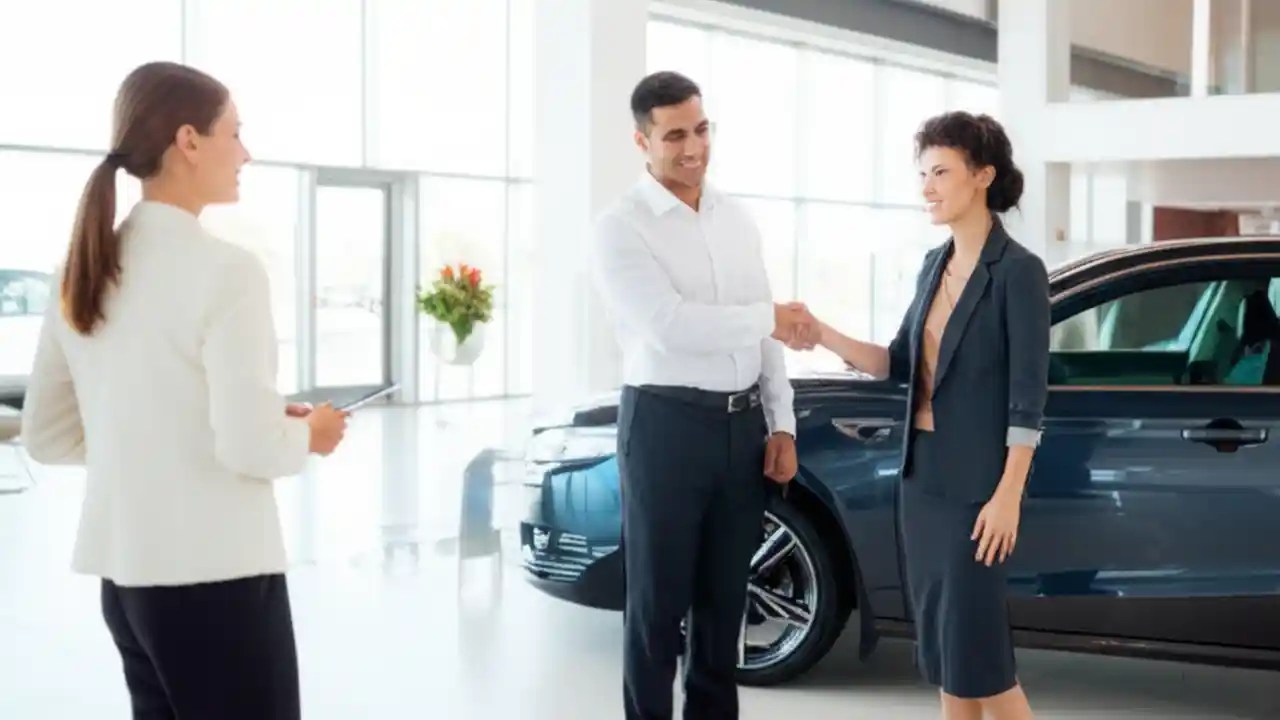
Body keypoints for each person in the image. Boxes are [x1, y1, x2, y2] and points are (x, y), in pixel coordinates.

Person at [21, 61, 348, 720]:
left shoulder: (81, 270)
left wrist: (170, 431)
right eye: (235, 133)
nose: (246, 153)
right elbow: (251, 446)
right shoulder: (227, 271)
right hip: (217, 577)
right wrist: (309, 434)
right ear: (189, 140)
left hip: (128, 581)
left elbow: (47, 436)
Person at [789, 111, 1048, 720]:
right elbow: (897, 362)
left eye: (941, 172)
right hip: (922, 481)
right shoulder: (934, 264)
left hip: (979, 488)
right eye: (922, 174)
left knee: (981, 656)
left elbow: (1028, 397)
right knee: (945, 652)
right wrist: (822, 333)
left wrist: (1009, 493)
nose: (927, 187)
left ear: (982, 176)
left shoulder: (1018, 273)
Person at [590, 71, 813, 720]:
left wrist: (782, 424)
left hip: (741, 429)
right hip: (665, 429)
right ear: (642, 140)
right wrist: (768, 315)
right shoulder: (620, 228)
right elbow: (669, 323)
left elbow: (762, 328)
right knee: (657, 612)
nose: (694, 147)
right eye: (675, 135)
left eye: (702, 129)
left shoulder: (735, 217)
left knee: (724, 613)